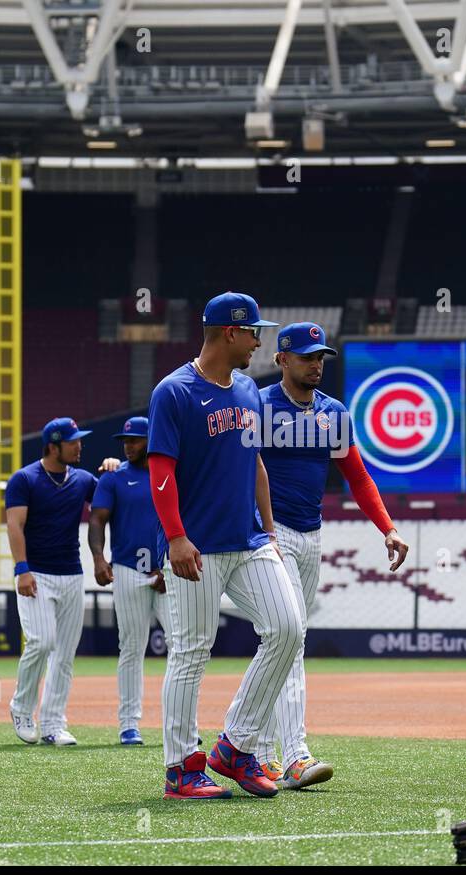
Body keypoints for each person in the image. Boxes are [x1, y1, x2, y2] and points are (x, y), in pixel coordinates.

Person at [147, 291, 304, 799]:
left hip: (250, 539)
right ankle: (181, 767)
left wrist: (272, 532)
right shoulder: (174, 391)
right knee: (191, 653)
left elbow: (255, 463)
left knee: (287, 627)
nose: (260, 340)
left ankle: (235, 746)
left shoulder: (248, 391)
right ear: (229, 332)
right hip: (196, 546)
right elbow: (161, 471)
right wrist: (175, 536)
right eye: (253, 331)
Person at [252, 321, 410, 789]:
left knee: (284, 641)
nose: (316, 363)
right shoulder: (258, 406)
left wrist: (388, 528)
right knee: (287, 639)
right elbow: (237, 472)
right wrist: (258, 531)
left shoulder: (333, 413)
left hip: (311, 533)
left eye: (321, 356)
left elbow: (358, 478)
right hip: (269, 534)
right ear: (281, 359)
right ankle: (291, 754)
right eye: (306, 356)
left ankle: (257, 751)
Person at [5, 417, 97, 747]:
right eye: (72, 441)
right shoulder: (24, 479)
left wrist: (113, 468)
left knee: (65, 654)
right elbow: (14, 525)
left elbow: (109, 501)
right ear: (53, 446)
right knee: (42, 642)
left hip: (72, 573)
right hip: (37, 575)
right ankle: (21, 707)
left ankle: (54, 723)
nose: (79, 445)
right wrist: (22, 569)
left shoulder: (84, 479)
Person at [88, 416, 168, 746]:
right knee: (131, 648)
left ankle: (178, 724)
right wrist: (97, 558)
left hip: (168, 571)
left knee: (182, 647)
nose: (128, 445)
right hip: (127, 569)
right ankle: (128, 723)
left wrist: (172, 566)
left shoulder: (171, 472)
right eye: (125, 440)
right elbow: (97, 519)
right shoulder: (114, 478)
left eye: (135, 440)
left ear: (152, 440)